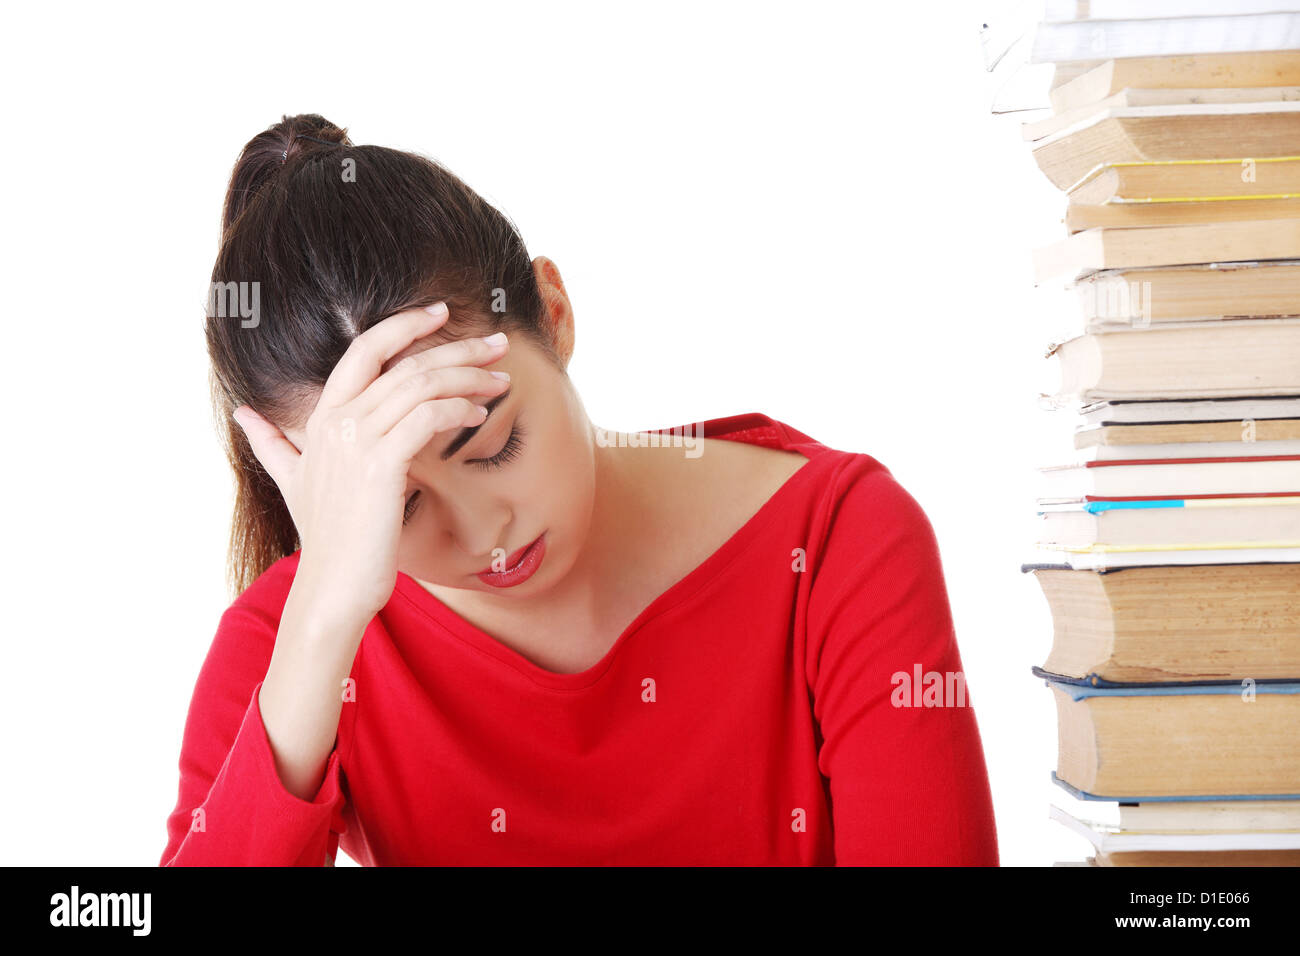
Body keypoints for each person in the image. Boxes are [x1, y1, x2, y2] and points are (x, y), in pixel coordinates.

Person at [160, 113, 999, 866]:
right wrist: (319, 630)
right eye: (397, 503)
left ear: (553, 316)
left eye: (491, 443)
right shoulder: (294, 642)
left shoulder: (837, 540)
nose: (487, 530)